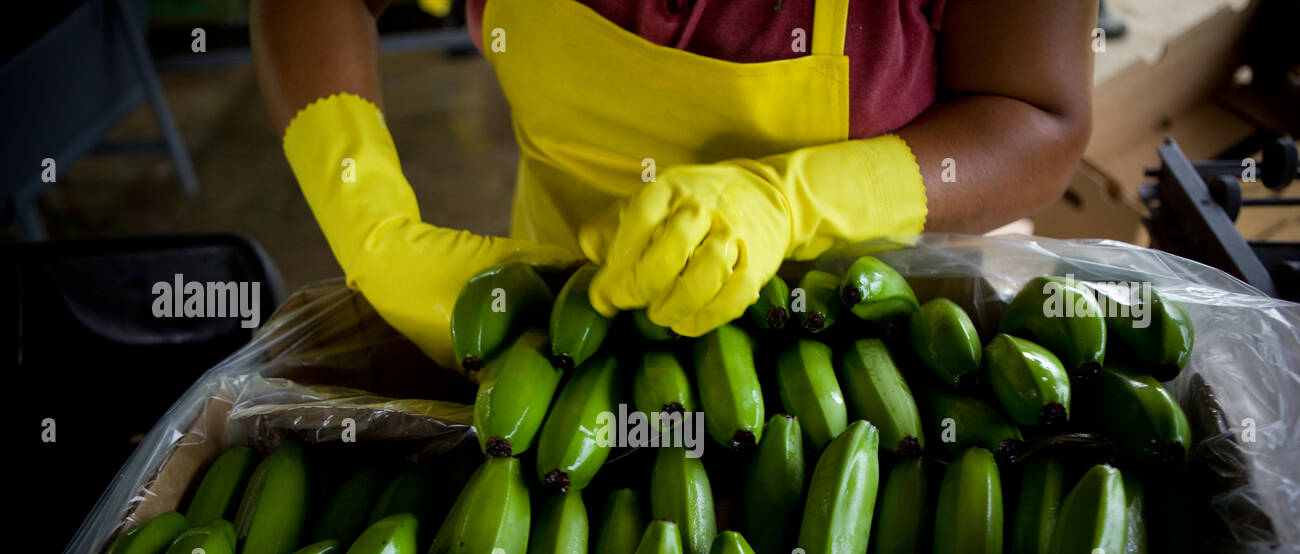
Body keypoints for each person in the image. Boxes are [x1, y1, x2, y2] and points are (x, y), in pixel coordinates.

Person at [251, 0, 1095, 369]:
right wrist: (370, 222)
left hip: (856, 348)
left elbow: (1036, 121)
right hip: (554, 316)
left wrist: (792, 200)